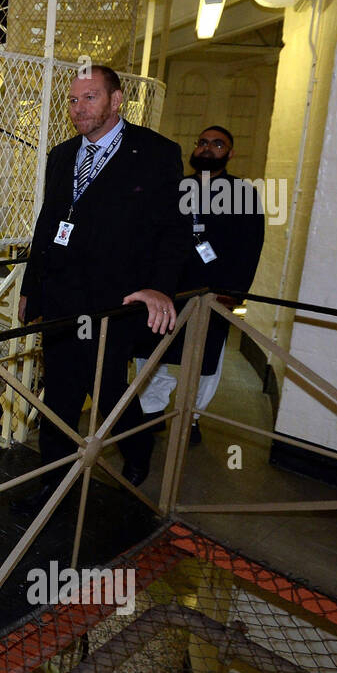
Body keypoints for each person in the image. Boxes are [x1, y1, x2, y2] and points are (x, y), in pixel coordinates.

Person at [15, 65, 190, 517]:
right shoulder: (60, 155)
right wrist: (31, 289)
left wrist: (159, 287)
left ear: (116, 101)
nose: (78, 109)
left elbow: (173, 230)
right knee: (60, 396)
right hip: (61, 300)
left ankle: (136, 447)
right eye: (73, 100)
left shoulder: (156, 153)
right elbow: (47, 225)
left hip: (117, 303)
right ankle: (52, 489)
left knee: (108, 389)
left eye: (90, 98)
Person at [135, 125, 265, 445]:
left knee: (205, 358)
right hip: (169, 286)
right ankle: (151, 410)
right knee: (151, 349)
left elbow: (250, 247)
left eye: (218, 144)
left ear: (230, 153)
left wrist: (234, 293)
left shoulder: (243, 193)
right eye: (203, 142)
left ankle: (191, 416)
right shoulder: (176, 188)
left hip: (213, 291)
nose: (208, 149)